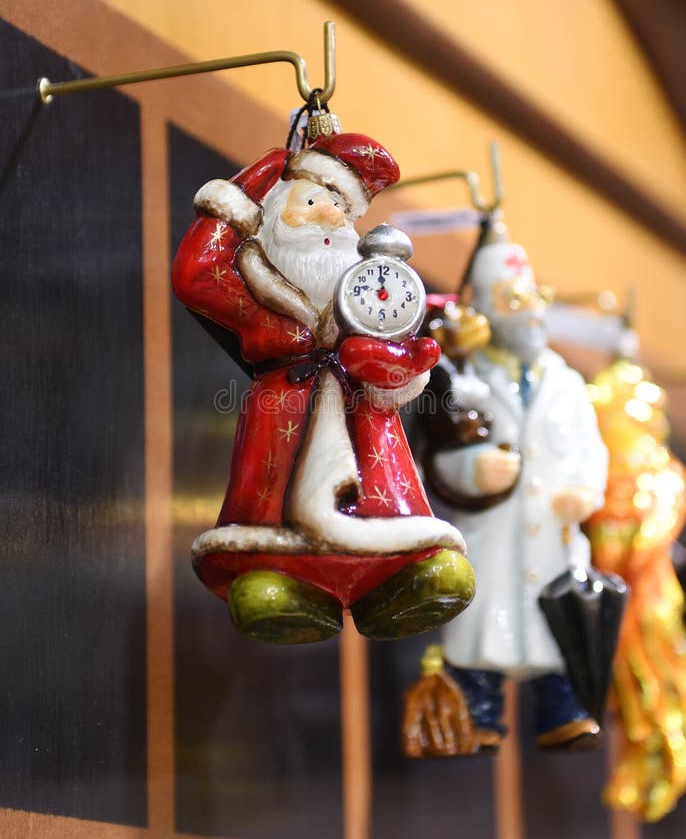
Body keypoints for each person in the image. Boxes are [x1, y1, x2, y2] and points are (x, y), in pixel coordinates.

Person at [172, 130, 474, 644]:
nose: (331, 217)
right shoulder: (253, 282)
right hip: (284, 411)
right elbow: (195, 274)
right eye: (312, 202)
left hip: (368, 425)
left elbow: (399, 364)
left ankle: (398, 586)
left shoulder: (369, 292)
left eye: (344, 210)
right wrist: (243, 195)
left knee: (401, 530)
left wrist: (405, 366)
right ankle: (284, 589)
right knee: (271, 525)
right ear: (271, 215)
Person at [423, 218, 608, 750]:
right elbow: (438, 454)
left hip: (556, 537)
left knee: (559, 633)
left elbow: (592, 451)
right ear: (483, 307)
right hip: (492, 532)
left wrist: (586, 492)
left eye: (533, 298)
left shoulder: (567, 383)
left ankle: (563, 711)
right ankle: (477, 711)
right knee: (482, 627)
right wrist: (473, 469)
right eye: (512, 300)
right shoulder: (462, 379)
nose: (528, 312)